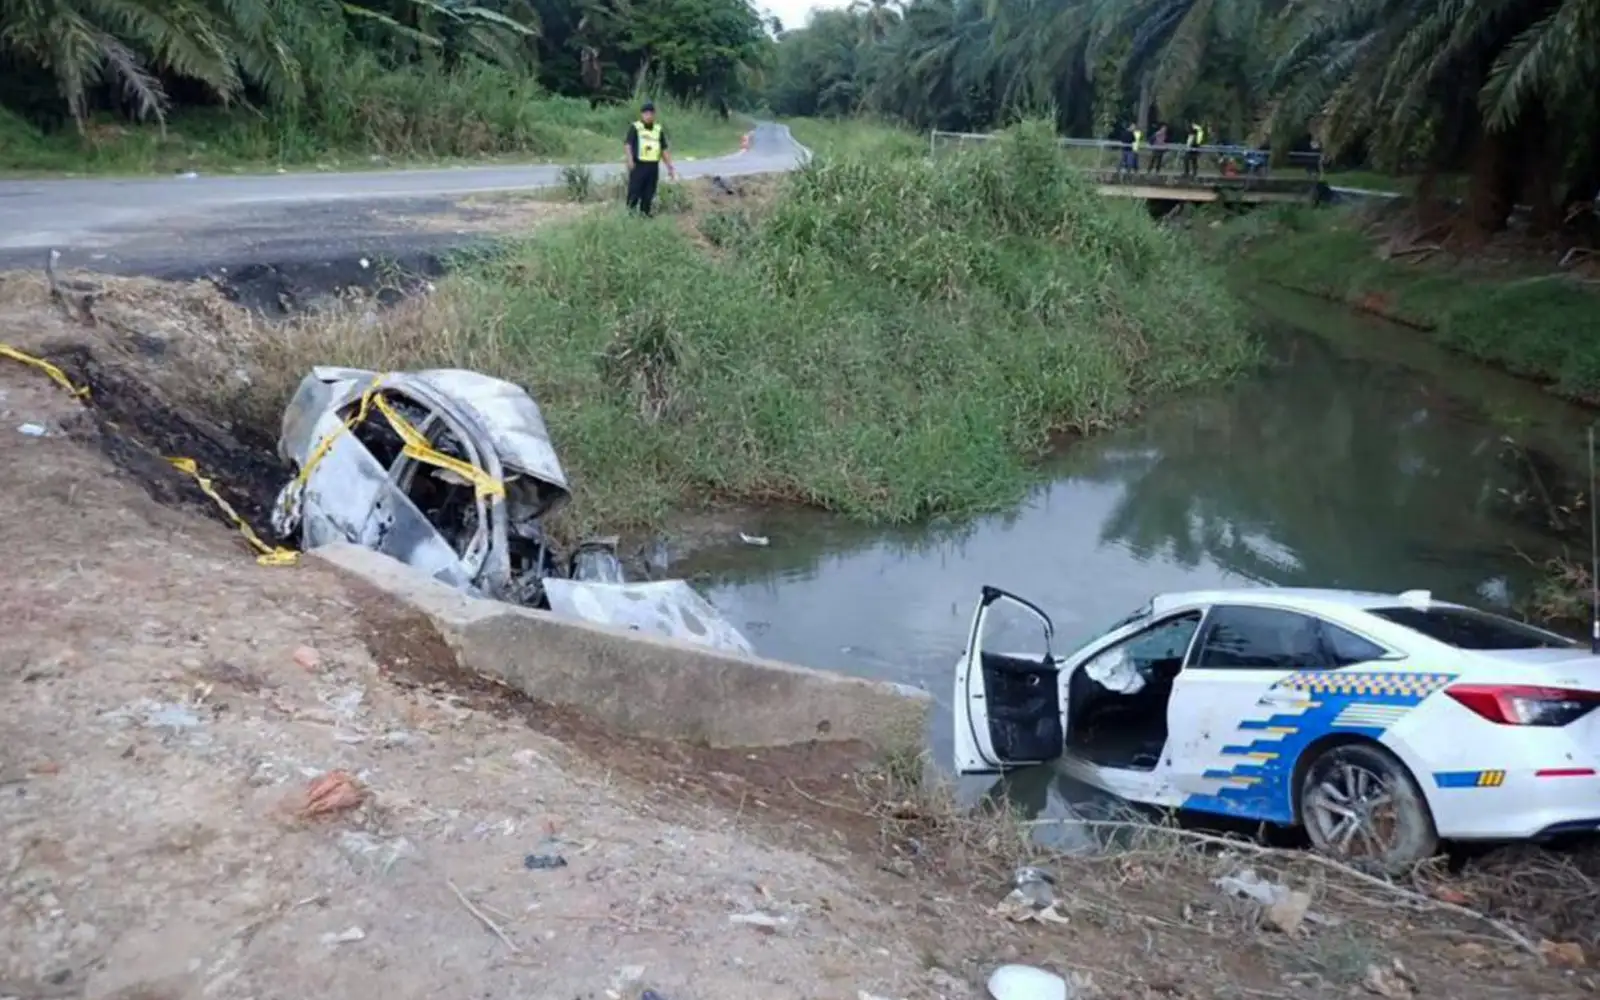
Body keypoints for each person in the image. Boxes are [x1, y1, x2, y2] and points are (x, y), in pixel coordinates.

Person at [624, 101, 676, 216]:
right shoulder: (636, 127)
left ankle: (645, 214)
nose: (648, 116)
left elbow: (664, 149)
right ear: (642, 114)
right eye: (646, 113)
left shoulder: (658, 129)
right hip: (639, 165)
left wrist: (670, 167)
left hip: (652, 166)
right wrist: (630, 160)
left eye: (650, 113)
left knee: (649, 193)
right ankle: (630, 215)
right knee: (634, 191)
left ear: (654, 115)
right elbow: (628, 145)